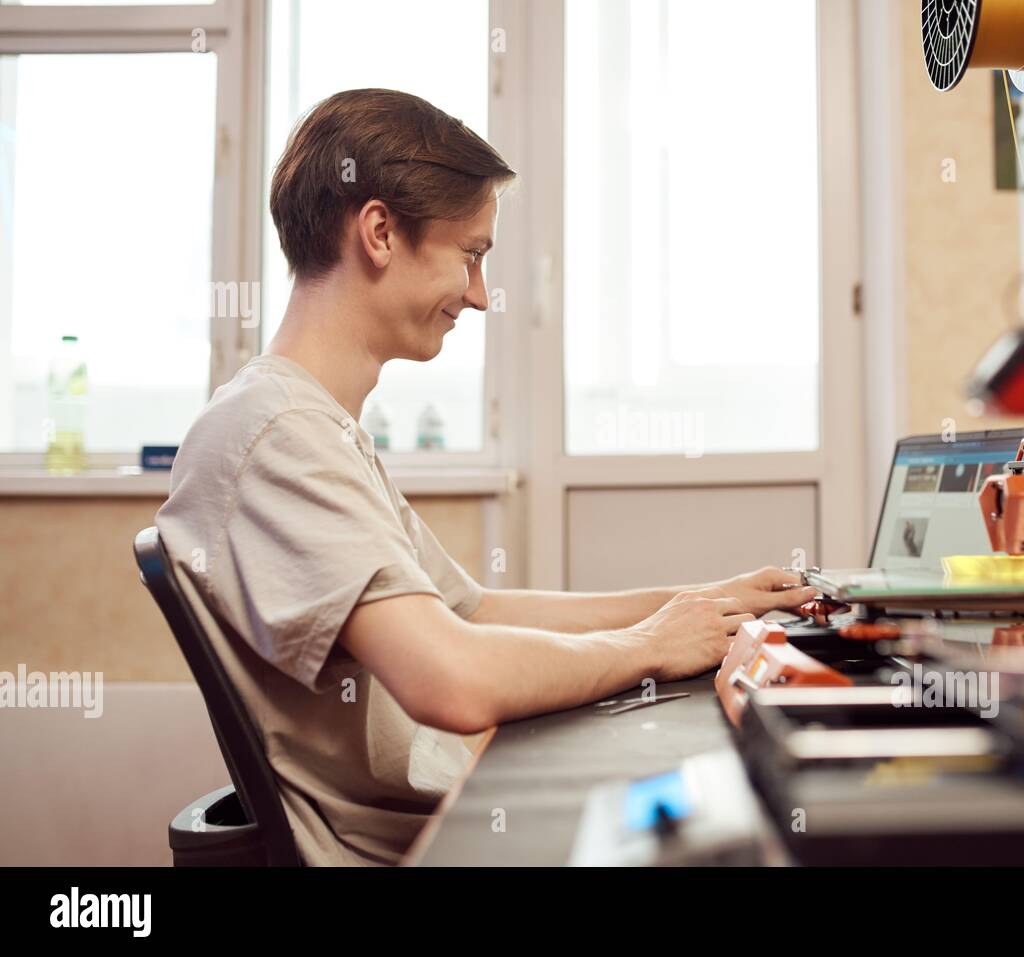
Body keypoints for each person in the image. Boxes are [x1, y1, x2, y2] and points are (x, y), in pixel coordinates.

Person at [156, 88, 816, 865]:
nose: (478, 293)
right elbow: (454, 678)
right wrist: (648, 644)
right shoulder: (274, 434)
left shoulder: (309, 424)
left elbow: (470, 609)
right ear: (378, 232)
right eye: (470, 255)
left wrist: (690, 605)